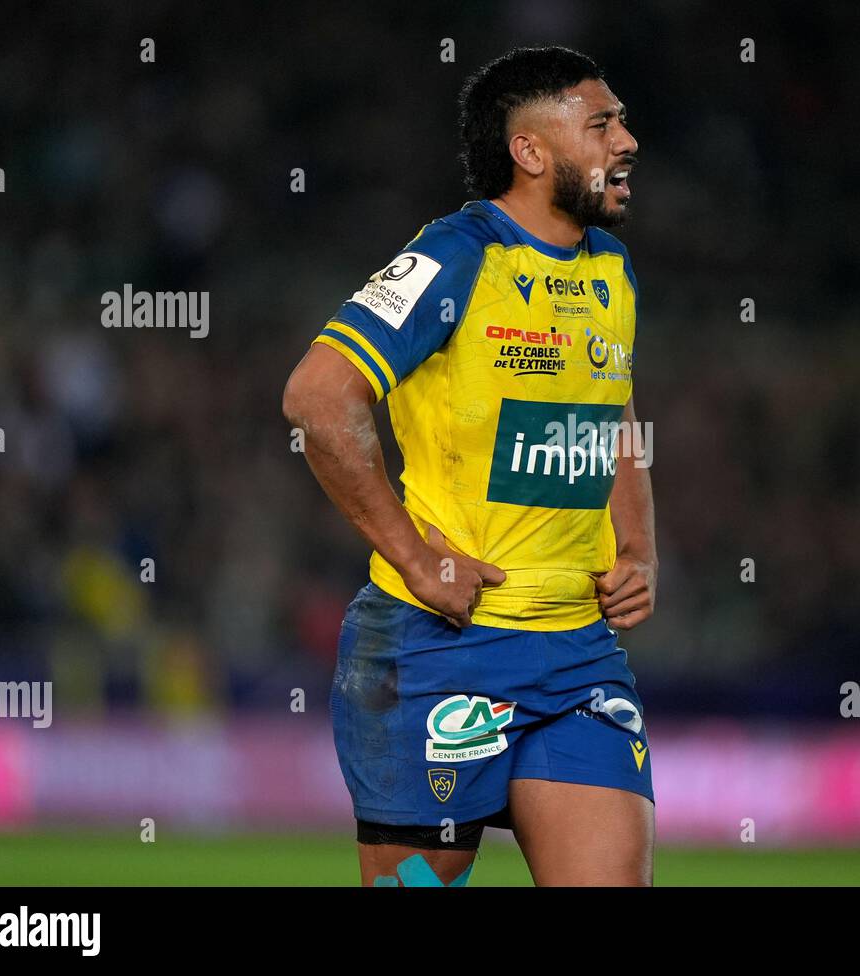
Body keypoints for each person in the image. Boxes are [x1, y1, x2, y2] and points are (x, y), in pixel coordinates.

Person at [282, 46, 656, 886]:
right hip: (440, 648)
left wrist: (638, 548)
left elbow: (615, 410)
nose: (627, 140)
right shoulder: (456, 257)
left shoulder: (611, 270)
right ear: (529, 151)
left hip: (578, 657)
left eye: (621, 120)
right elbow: (317, 400)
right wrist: (415, 557)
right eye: (601, 124)